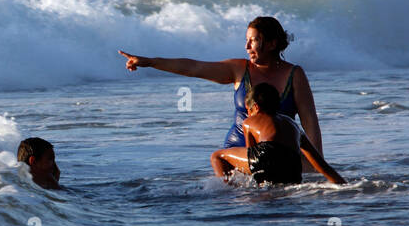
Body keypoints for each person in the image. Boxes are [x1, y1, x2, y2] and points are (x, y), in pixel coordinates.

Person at [118, 15, 328, 169]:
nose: (247, 46)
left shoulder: (294, 74)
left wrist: (317, 163)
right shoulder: (238, 69)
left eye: (253, 40)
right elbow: (193, 68)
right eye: (246, 40)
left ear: (273, 43)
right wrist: (151, 62)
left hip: (279, 154)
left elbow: (309, 121)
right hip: (236, 155)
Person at [211, 83, 345, 185]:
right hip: (292, 166)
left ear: (255, 107)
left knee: (217, 156)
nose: (248, 114)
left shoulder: (249, 121)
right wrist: (341, 183)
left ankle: (229, 191)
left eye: (248, 110)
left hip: (264, 155)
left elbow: (250, 152)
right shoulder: (294, 125)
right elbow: (321, 164)